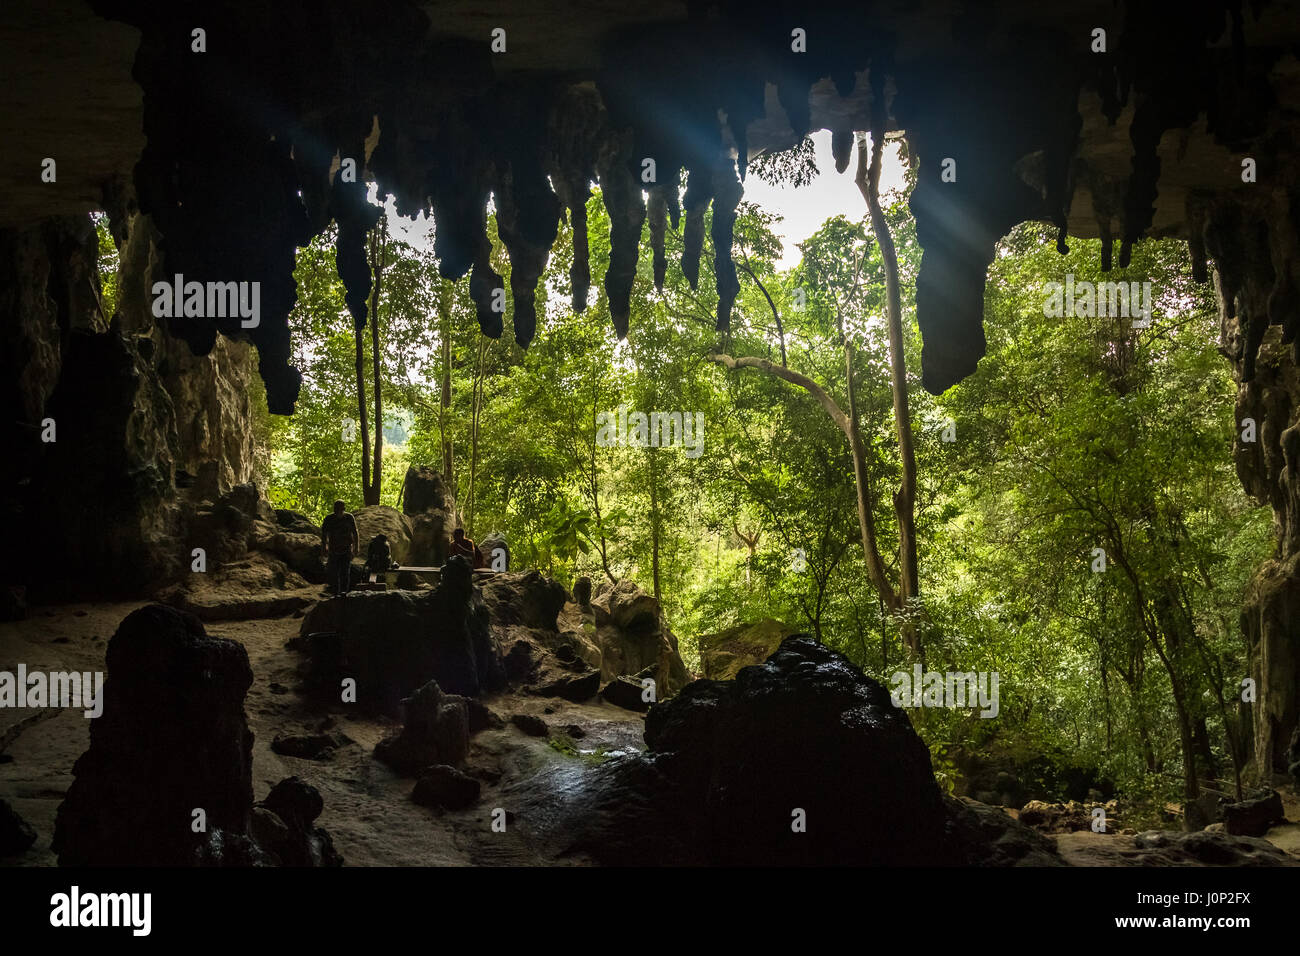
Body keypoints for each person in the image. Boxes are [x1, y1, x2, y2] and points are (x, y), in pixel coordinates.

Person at [320, 499, 359, 596]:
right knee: (333, 572)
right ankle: (334, 592)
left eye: (340, 509)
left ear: (344, 509)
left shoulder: (349, 518)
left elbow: (355, 533)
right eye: (336, 509)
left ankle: (343, 592)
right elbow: (324, 535)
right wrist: (324, 547)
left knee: (345, 572)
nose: (337, 511)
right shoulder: (329, 519)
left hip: (346, 549)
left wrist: (356, 547)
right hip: (333, 550)